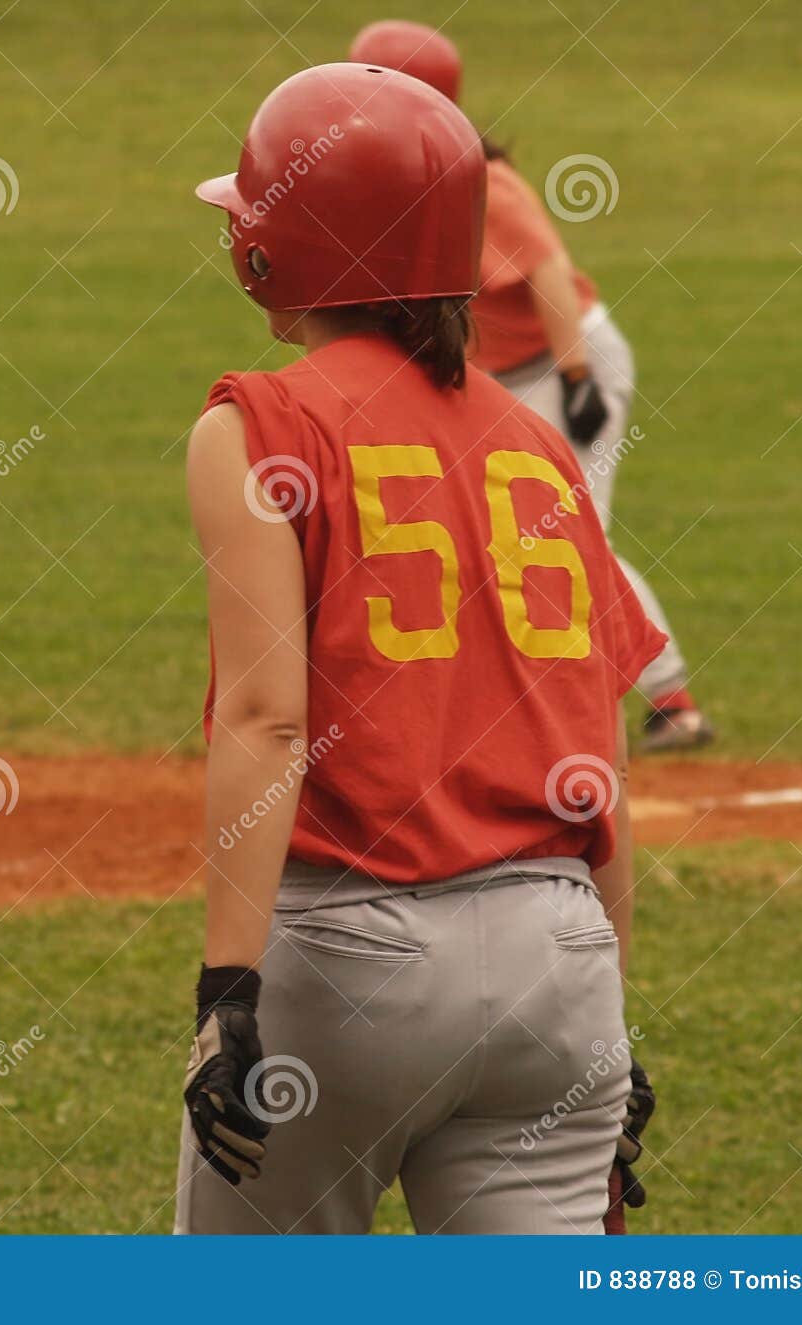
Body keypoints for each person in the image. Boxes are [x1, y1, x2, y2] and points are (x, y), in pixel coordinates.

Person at [176, 62, 658, 1235]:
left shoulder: (257, 420)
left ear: (273, 251)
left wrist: (228, 989)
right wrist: (613, 1019)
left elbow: (267, 721)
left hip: (352, 952)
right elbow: (598, 756)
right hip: (559, 960)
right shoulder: (536, 447)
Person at [348, 21, 713, 752]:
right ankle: (524, 703)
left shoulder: (477, 178)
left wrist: (579, 381)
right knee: (502, 538)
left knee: (575, 536)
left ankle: (672, 698)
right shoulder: (410, 172)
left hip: (566, 358)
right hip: (506, 373)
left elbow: (547, 271)